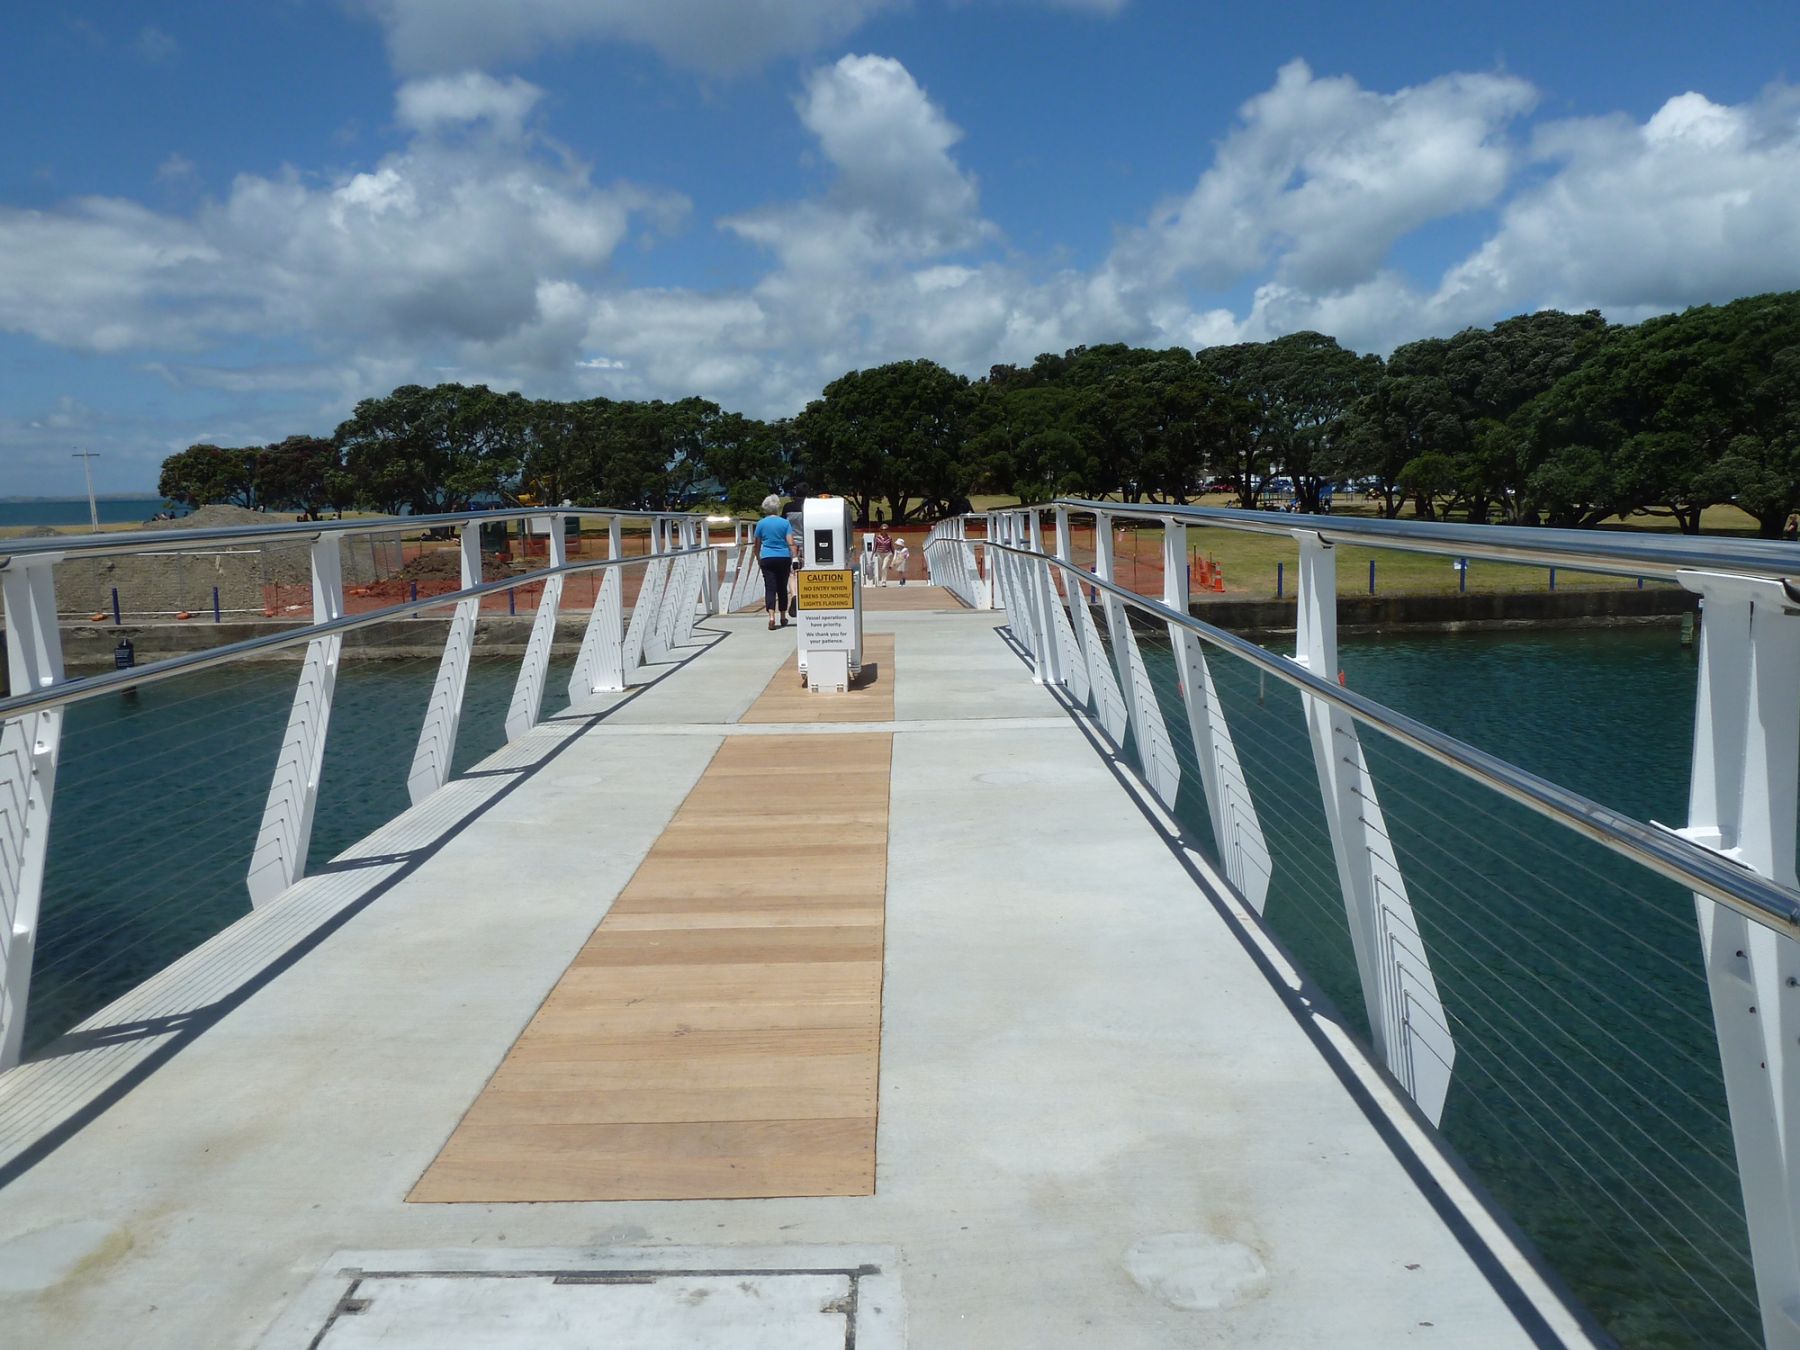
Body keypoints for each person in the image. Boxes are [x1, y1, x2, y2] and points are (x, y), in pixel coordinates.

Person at [754, 494, 799, 630]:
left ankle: (771, 617)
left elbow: (757, 544)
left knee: (770, 588)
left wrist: (758, 557)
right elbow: (790, 542)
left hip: (767, 557)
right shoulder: (785, 523)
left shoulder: (761, 523)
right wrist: (794, 557)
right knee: (782, 588)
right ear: (778, 507)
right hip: (783, 557)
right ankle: (783, 616)